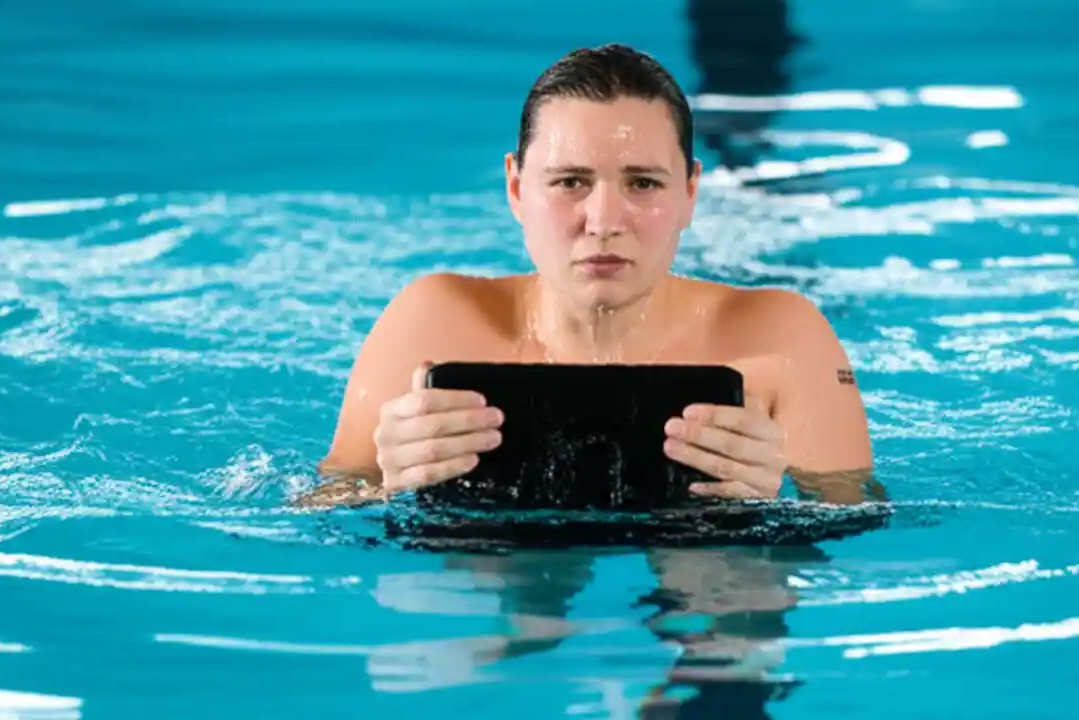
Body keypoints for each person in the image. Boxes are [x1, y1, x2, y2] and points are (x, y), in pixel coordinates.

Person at [311, 43, 878, 507]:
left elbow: (857, 521)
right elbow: (316, 512)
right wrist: (383, 483)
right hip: (497, 550)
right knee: (503, 586)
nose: (604, 222)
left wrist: (771, 507)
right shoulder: (434, 321)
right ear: (515, 188)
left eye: (643, 184)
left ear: (689, 193)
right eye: (569, 181)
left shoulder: (780, 338)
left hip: (706, 551)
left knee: (726, 591)